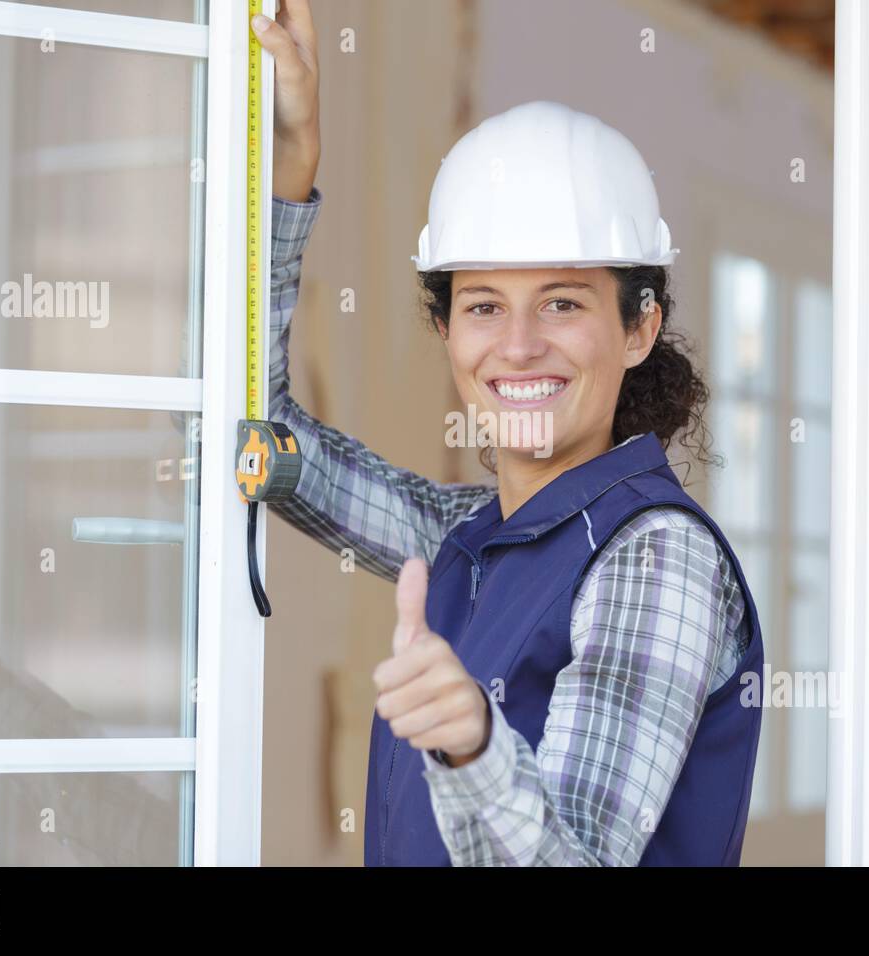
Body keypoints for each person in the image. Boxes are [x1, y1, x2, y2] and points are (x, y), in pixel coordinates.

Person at [252, 1, 763, 867]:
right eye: (484, 306)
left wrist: (476, 748)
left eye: (562, 302)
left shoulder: (656, 557)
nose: (519, 344)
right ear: (449, 333)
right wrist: (293, 166)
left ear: (640, 328)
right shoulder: (471, 538)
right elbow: (271, 445)